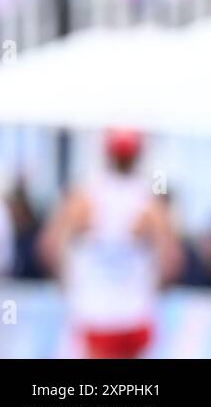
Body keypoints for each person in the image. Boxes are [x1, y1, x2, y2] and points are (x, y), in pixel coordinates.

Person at [38, 128, 184, 359]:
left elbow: (49, 246)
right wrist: (153, 289)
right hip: (135, 313)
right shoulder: (151, 202)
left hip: (95, 313)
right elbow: (173, 259)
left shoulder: (84, 197)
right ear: (138, 155)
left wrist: (68, 284)